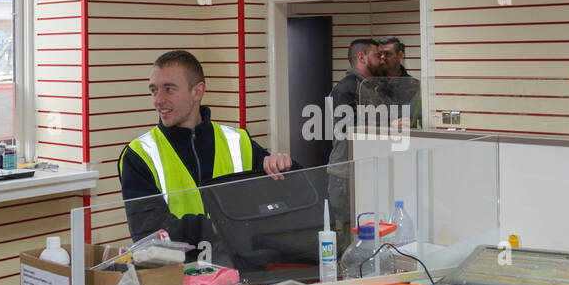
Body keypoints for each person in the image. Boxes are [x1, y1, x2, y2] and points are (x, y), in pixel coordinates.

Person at [119, 49, 291, 254]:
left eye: (169, 89)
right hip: (177, 278)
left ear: (197, 92)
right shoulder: (139, 155)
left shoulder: (237, 141)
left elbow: (289, 197)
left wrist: (285, 166)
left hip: (241, 272)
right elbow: (149, 233)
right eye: (154, 90)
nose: (158, 100)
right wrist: (217, 226)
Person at [326, 38, 383, 233]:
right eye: (376, 55)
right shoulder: (346, 89)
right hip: (345, 174)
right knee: (349, 235)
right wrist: (386, 124)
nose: (381, 59)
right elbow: (348, 128)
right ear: (361, 57)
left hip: (360, 169)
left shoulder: (368, 87)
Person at [377, 35, 422, 129]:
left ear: (400, 55)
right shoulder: (372, 84)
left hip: (409, 138)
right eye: (379, 54)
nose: (382, 57)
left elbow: (420, 117)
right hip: (380, 139)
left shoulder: (414, 85)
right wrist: (389, 125)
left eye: (387, 54)